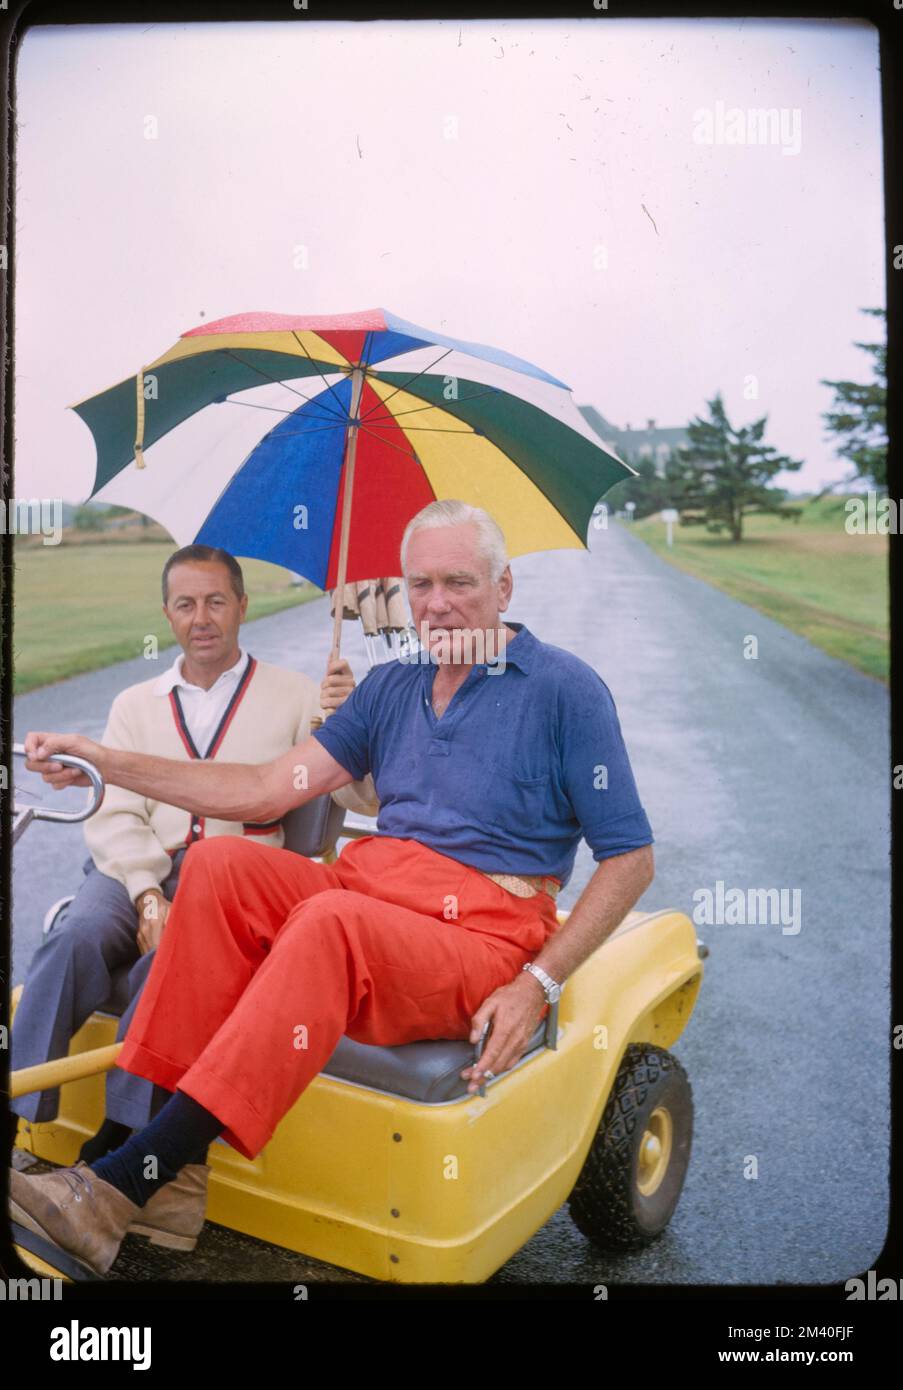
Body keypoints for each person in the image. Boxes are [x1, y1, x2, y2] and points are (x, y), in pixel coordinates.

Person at [11, 500, 655, 1278]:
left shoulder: (564, 690)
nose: (437, 603)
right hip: (374, 890)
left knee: (330, 919)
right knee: (220, 866)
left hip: (480, 931)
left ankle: (117, 1183)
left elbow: (630, 858)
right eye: (421, 584)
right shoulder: (391, 687)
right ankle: (164, 1178)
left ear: (504, 587)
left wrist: (537, 982)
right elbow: (257, 791)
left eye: (459, 581)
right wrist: (104, 760)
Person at [9, 544, 378, 1170]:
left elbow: (356, 798)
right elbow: (114, 811)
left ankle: (123, 1142)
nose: (201, 617)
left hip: (233, 885)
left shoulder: (297, 696)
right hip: (134, 866)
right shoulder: (135, 704)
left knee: (169, 972)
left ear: (241, 605)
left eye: (215, 601)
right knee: (73, 939)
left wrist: (345, 721)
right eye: (185, 604)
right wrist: (148, 892)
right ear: (167, 613)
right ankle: (17, 1109)